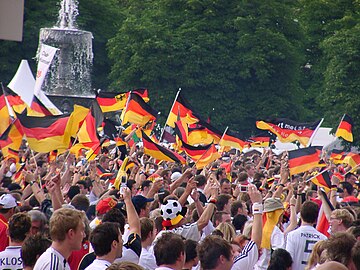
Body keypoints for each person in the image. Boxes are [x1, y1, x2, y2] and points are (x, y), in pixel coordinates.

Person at [285, 201, 327, 270]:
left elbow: (288, 260)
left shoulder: (292, 235)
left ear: (300, 216)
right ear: (316, 219)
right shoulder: (323, 238)